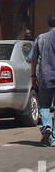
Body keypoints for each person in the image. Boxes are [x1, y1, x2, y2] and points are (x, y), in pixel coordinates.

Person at [30, 13, 55, 144]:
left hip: (46, 76)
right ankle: (53, 138)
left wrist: (33, 76)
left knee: (44, 105)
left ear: (48, 24)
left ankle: (46, 126)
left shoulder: (41, 38)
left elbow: (33, 59)